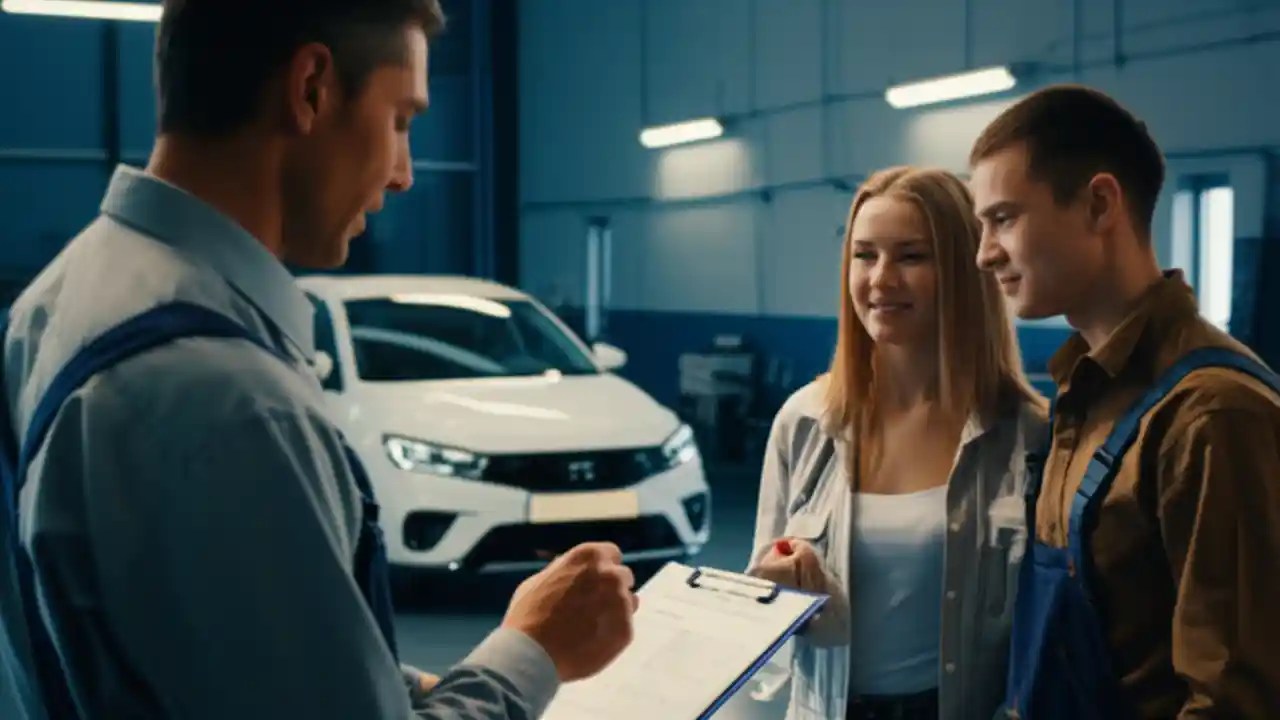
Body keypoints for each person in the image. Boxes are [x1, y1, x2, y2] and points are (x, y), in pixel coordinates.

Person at [0, 2, 636, 719]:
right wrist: (533, 651)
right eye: (400, 120)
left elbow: (200, 652)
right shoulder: (226, 397)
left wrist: (391, 682)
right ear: (310, 89)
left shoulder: (61, 299)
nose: (403, 174)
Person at [969, 84, 1280, 718]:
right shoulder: (1082, 392)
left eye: (1003, 217)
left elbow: (1235, 701)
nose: (983, 252)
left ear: (1099, 203)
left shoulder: (1211, 415)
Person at [748, 166, 1047, 720]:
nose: (881, 280)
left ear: (964, 269)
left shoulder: (1027, 436)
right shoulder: (806, 421)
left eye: (911, 256)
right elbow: (758, 611)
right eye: (864, 255)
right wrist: (786, 590)